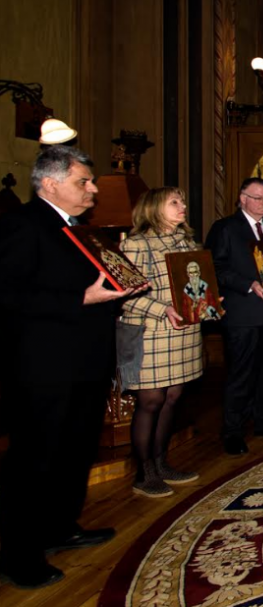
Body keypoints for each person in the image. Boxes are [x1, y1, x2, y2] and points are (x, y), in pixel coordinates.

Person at [0, 145, 143, 588]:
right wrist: (79, 299)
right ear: (50, 183)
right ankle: (19, 554)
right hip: (44, 367)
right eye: (84, 181)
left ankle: (61, 526)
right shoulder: (23, 225)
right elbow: (7, 296)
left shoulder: (81, 229)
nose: (93, 189)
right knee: (35, 460)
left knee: (76, 451)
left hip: (85, 362)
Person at [120, 187, 205, 498]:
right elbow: (127, 295)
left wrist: (207, 300)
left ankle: (161, 462)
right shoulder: (136, 244)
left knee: (172, 398)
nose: (183, 206)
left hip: (183, 331)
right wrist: (162, 309)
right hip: (151, 332)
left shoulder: (187, 242)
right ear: (154, 208)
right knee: (151, 401)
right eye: (174, 202)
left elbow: (195, 285)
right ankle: (143, 472)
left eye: (182, 201)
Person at [206, 177, 263, 456]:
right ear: (242, 198)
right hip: (243, 312)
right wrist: (249, 285)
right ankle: (232, 431)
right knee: (241, 372)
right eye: (260, 198)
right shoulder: (225, 228)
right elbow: (214, 267)